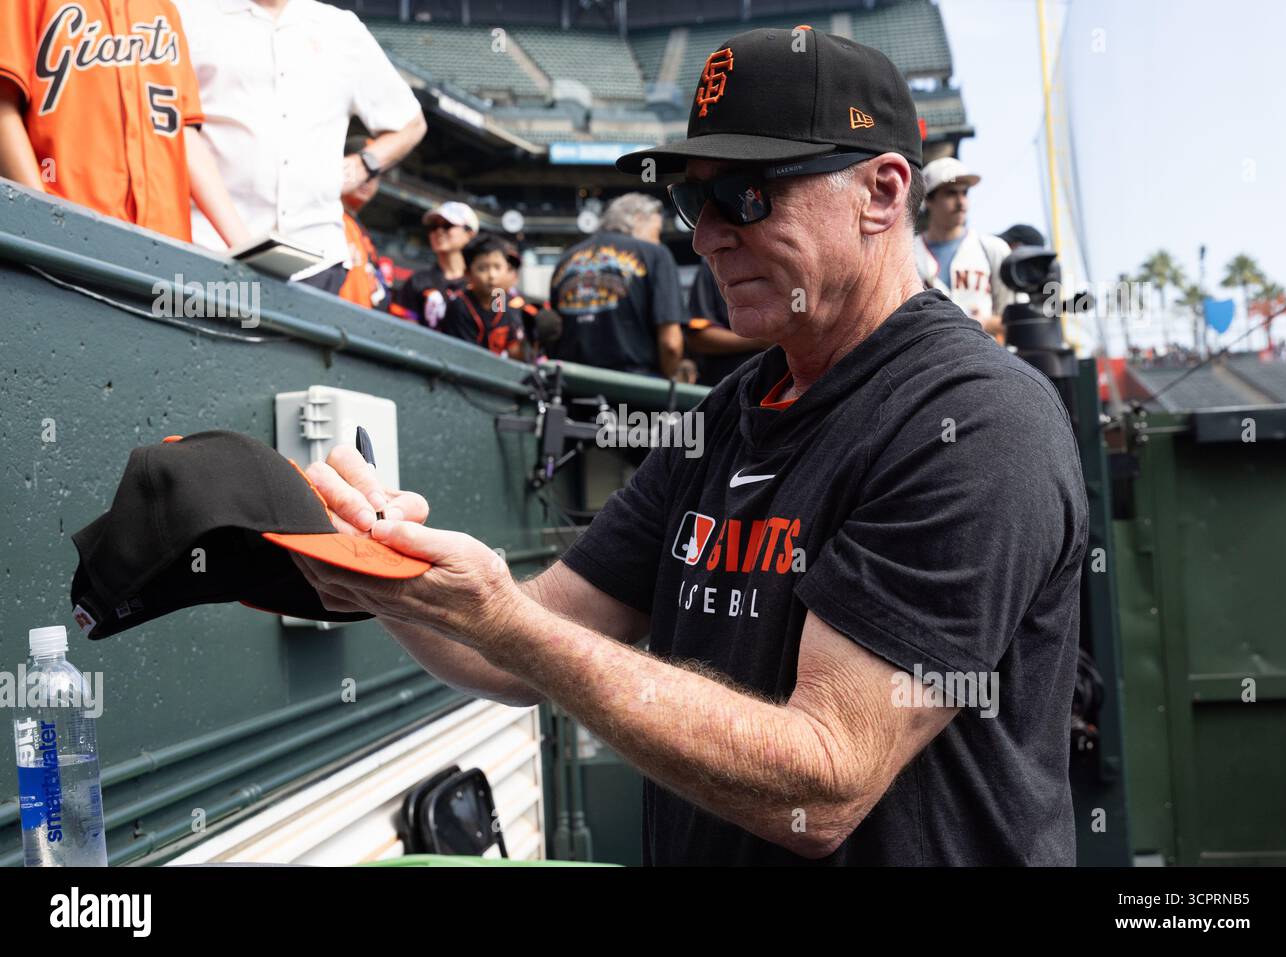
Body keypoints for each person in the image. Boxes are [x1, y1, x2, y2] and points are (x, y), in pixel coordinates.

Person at [289, 27, 1087, 866]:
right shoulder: (730, 411)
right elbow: (527, 640)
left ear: (882, 193)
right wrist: (386, 571)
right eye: (689, 201)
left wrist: (504, 620)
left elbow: (823, 778)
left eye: (743, 194)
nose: (704, 237)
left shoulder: (978, 422)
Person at [172, 0, 427, 293]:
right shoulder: (189, 13)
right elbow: (172, 124)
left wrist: (363, 165)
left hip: (315, 255)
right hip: (206, 246)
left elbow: (411, 123)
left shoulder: (341, 28)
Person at [0, 0, 248, 246]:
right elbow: (3, 107)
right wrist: (44, 224)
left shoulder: (164, 10)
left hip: (166, 247)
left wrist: (244, 244)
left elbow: (182, 132)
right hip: (69, 232)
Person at [549, 193, 685, 378]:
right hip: (636, 389)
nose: (658, 240)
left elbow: (553, 333)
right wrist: (670, 384)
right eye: (657, 231)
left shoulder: (565, 259)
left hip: (573, 386)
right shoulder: (656, 254)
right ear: (638, 220)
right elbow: (671, 344)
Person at [914, 157, 1012, 337]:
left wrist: (985, 323)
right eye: (951, 193)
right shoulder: (907, 253)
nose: (961, 202)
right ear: (928, 200)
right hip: (928, 360)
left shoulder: (992, 249)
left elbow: (1015, 320)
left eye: (964, 193)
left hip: (983, 359)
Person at [436, 235, 526, 360]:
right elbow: (465, 358)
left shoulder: (505, 302)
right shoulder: (459, 306)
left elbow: (515, 352)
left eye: (497, 267)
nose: (492, 275)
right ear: (468, 273)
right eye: (482, 269)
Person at [391, 200, 479, 326]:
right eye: (433, 227)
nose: (439, 231)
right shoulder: (417, 281)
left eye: (448, 225)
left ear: (470, 234)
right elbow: (404, 332)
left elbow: (502, 327)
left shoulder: (491, 284)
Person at [686, 261, 768, 387]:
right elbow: (699, 336)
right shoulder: (713, 265)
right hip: (724, 388)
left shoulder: (785, 266)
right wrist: (760, 340)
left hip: (780, 385)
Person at [339, 137, 391, 311]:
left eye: (375, 174)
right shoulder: (320, 215)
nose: (368, 179)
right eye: (363, 168)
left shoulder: (364, 236)